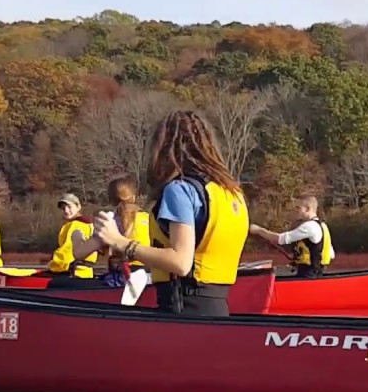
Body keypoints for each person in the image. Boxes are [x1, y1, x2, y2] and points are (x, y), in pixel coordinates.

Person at [90, 110, 250, 316]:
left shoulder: (179, 190)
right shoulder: (231, 191)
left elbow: (180, 263)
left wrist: (117, 241)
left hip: (183, 309)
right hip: (218, 309)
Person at [73, 175, 152, 288]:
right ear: (134, 197)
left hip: (122, 279)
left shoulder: (109, 221)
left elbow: (79, 253)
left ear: (110, 200)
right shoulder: (149, 219)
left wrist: (76, 236)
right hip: (148, 278)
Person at [249, 195, 334, 278]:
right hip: (316, 271)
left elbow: (281, 239)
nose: (295, 211)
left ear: (308, 209)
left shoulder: (309, 226)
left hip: (309, 274)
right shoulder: (323, 225)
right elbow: (331, 254)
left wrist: (258, 230)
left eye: (298, 208)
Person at [47, 193, 98, 281]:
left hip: (75, 274)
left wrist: (53, 266)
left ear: (78, 207)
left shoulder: (75, 225)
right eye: (63, 208)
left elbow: (66, 251)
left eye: (69, 207)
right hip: (86, 273)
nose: (66, 211)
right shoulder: (88, 224)